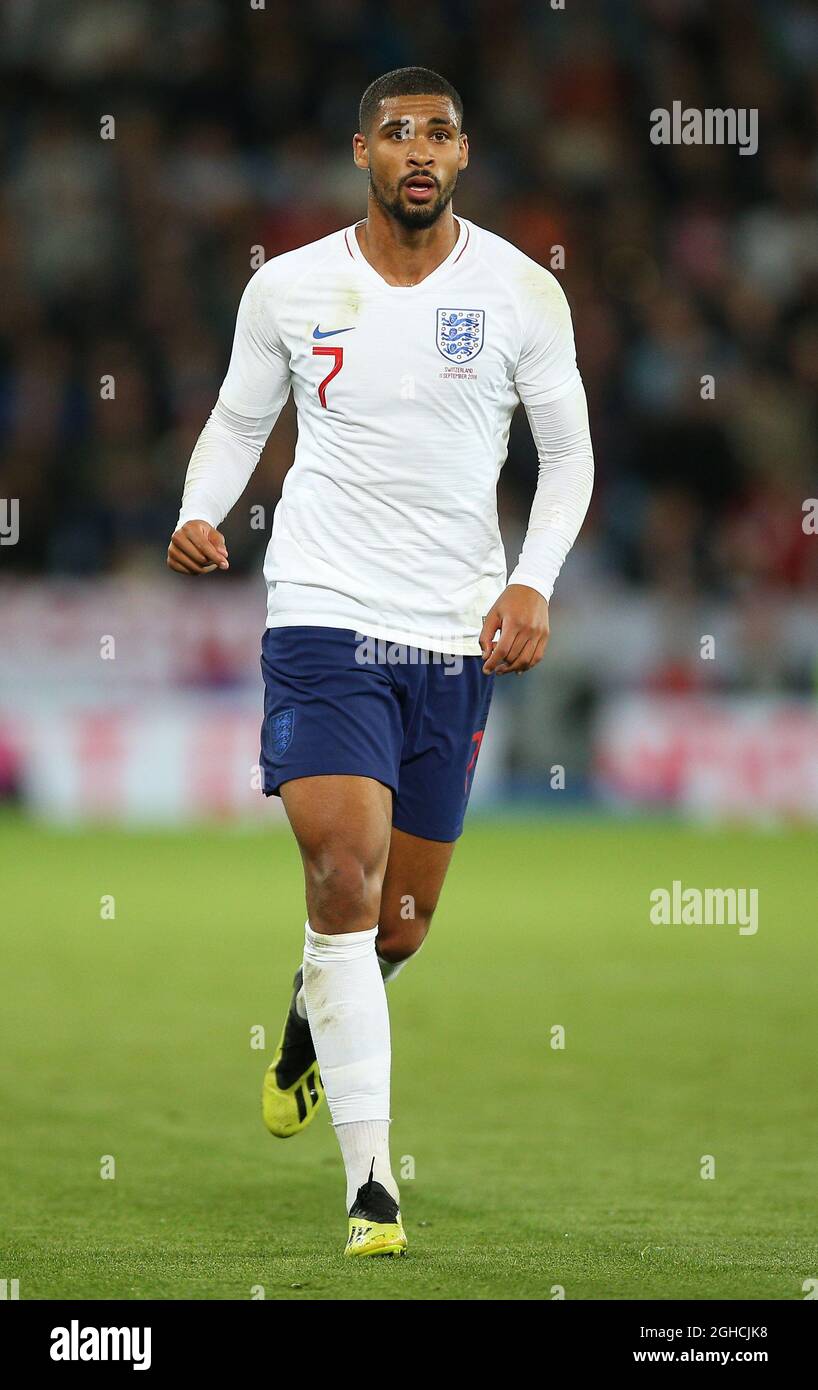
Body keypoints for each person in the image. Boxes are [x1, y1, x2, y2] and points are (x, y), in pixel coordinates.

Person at [168, 65, 594, 1258]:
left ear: (464, 156)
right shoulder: (288, 287)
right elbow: (240, 418)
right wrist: (203, 506)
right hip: (319, 615)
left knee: (396, 925)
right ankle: (372, 1187)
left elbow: (565, 460)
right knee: (341, 875)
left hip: (450, 632)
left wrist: (530, 580)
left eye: (440, 134)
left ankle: (308, 1026)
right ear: (360, 152)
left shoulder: (519, 292)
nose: (418, 150)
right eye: (396, 133)